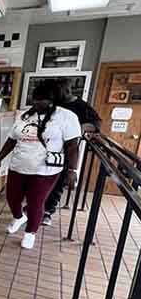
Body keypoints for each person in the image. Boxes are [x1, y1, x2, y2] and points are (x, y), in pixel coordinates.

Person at [0, 80, 81, 249]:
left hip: (45, 170)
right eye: (35, 99)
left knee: (35, 202)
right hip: (18, 165)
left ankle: (30, 233)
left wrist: (72, 170)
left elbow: (72, 146)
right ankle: (19, 217)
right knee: (12, 198)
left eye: (42, 99)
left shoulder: (66, 117)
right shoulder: (25, 115)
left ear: (53, 99)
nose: (37, 102)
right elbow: (12, 139)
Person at [42, 82, 101, 226]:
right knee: (42, 179)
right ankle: (37, 206)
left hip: (67, 150)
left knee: (58, 181)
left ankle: (48, 211)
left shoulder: (81, 106)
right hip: (48, 147)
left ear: (67, 90)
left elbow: (97, 124)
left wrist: (80, 127)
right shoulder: (55, 103)